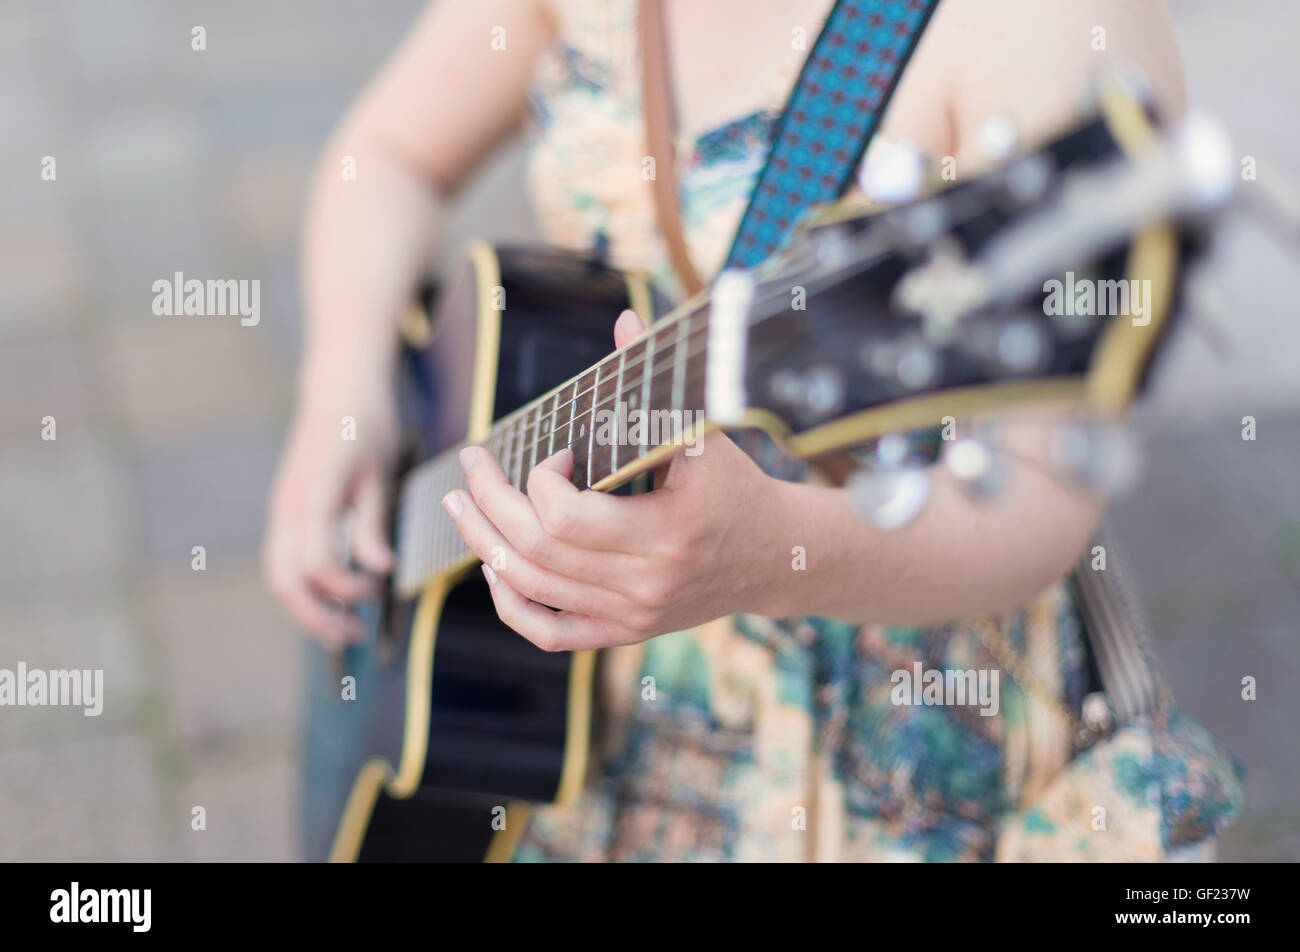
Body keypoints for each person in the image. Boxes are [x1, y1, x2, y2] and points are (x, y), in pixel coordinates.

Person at [265, 0, 1239, 860]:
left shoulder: (1038, 23)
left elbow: (1038, 504)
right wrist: (342, 392)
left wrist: (772, 555)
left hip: (873, 746)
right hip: (550, 707)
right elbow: (387, 154)